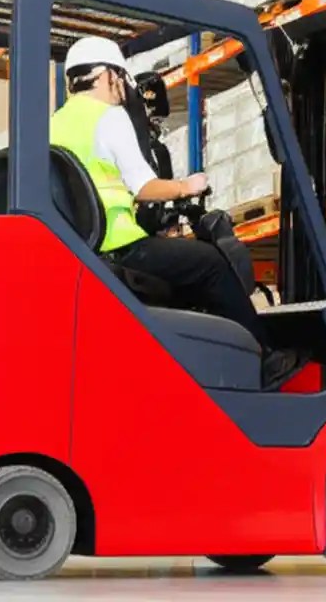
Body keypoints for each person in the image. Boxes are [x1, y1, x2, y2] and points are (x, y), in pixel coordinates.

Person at [52, 36, 298, 386]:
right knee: (211, 263)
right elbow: (144, 186)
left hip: (83, 251)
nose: (124, 88)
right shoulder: (108, 117)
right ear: (108, 75)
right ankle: (266, 358)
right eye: (121, 78)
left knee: (186, 278)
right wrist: (187, 186)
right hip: (122, 248)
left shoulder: (54, 125)